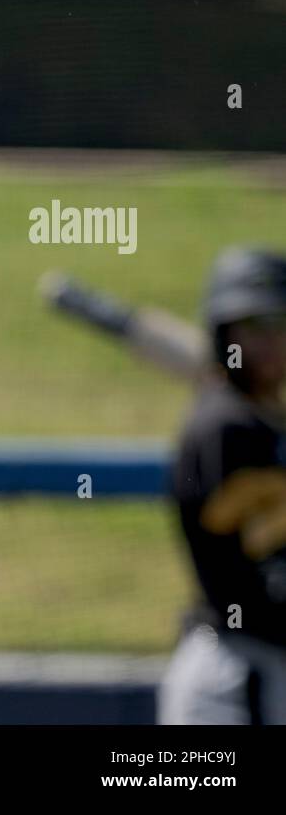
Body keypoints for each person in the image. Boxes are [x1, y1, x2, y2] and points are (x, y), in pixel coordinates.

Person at [160, 247, 286, 724]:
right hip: (236, 673)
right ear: (226, 333)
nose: (271, 341)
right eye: (255, 327)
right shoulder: (223, 428)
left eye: (281, 323)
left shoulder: (266, 423)